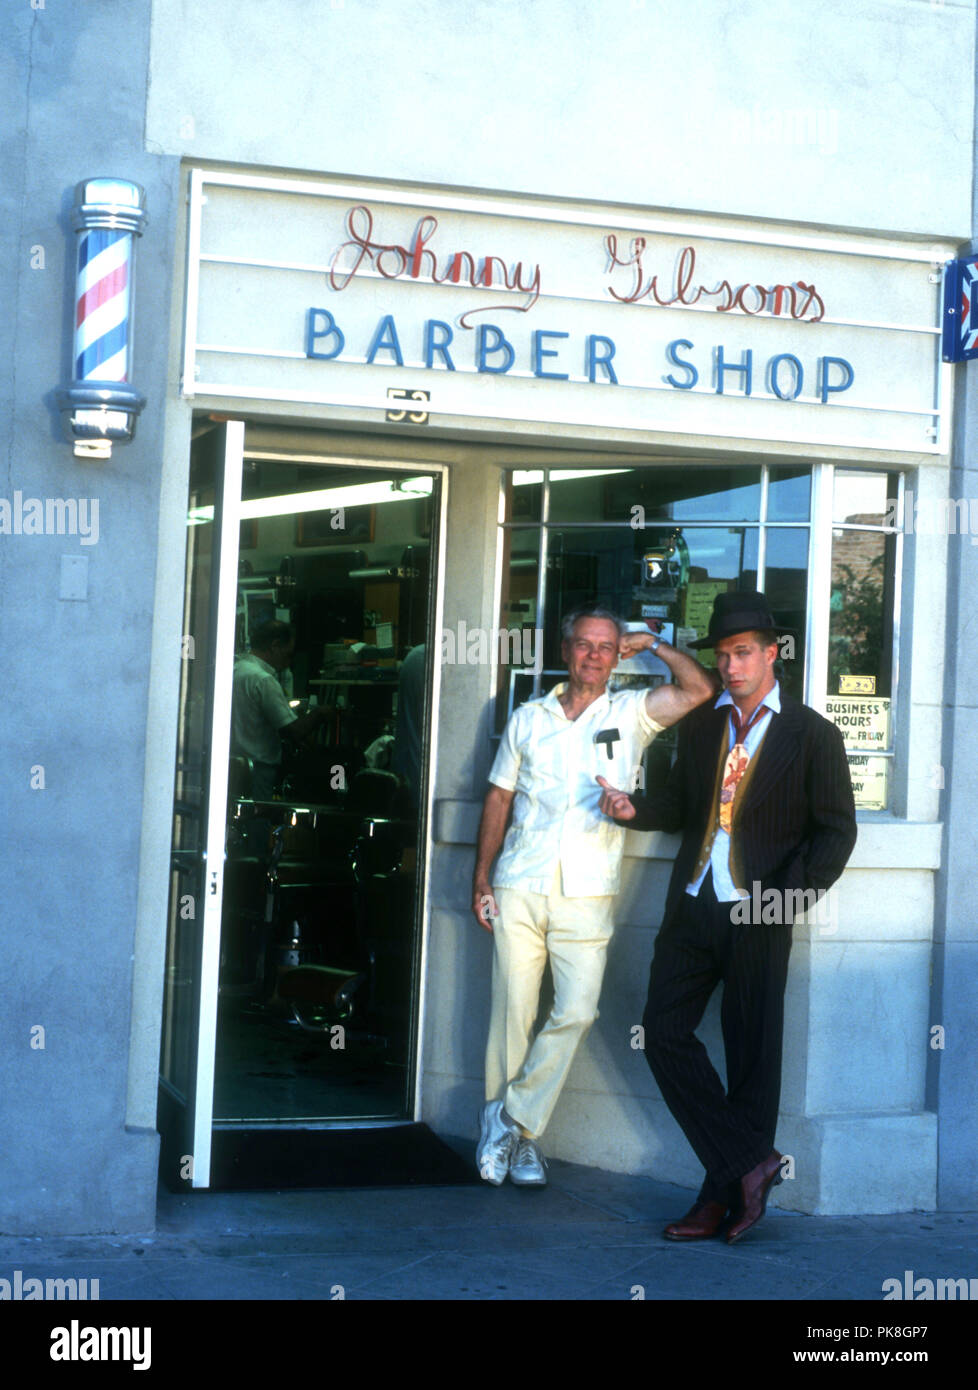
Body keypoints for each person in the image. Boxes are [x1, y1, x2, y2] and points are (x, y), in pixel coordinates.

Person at [597, 591, 857, 1242]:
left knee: (751, 1059)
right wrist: (636, 810)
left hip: (761, 912)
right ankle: (747, 1164)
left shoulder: (813, 735)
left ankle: (720, 1200)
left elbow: (836, 833)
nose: (733, 667)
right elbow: (683, 808)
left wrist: (785, 901)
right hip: (692, 905)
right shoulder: (705, 724)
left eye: (744, 654)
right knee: (662, 1034)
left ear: (772, 654)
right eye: (723, 656)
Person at [472, 607, 714, 1187]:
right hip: (520, 882)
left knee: (577, 1008)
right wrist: (480, 877)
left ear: (616, 655)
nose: (594, 655)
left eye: (606, 647)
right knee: (513, 1011)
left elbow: (699, 688)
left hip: (588, 890)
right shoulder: (527, 719)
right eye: (584, 645)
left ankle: (509, 1118)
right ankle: (524, 1143)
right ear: (566, 650)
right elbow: (499, 801)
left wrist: (650, 643)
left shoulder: (632, 713)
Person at [230, 620, 328, 801]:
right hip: (257, 772)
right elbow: (295, 730)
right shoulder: (263, 679)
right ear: (275, 646)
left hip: (232, 767)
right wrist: (321, 713)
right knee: (256, 824)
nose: (287, 664)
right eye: (288, 655)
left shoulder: (235, 669)